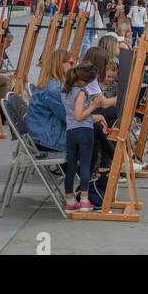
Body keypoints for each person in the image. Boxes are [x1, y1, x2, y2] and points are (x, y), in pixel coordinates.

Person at [62, 63, 105, 212]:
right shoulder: (81, 92)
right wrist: (93, 106)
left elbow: (72, 115)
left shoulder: (65, 91)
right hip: (84, 131)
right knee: (85, 165)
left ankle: (69, 201)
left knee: (71, 166)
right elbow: (79, 116)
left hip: (71, 132)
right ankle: (85, 201)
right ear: (84, 81)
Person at [27, 48, 72, 153]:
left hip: (43, 133)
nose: (73, 66)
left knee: (94, 130)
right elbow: (69, 117)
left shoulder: (53, 83)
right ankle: (79, 169)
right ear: (60, 64)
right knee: (91, 133)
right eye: (70, 63)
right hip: (47, 139)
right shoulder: (54, 89)